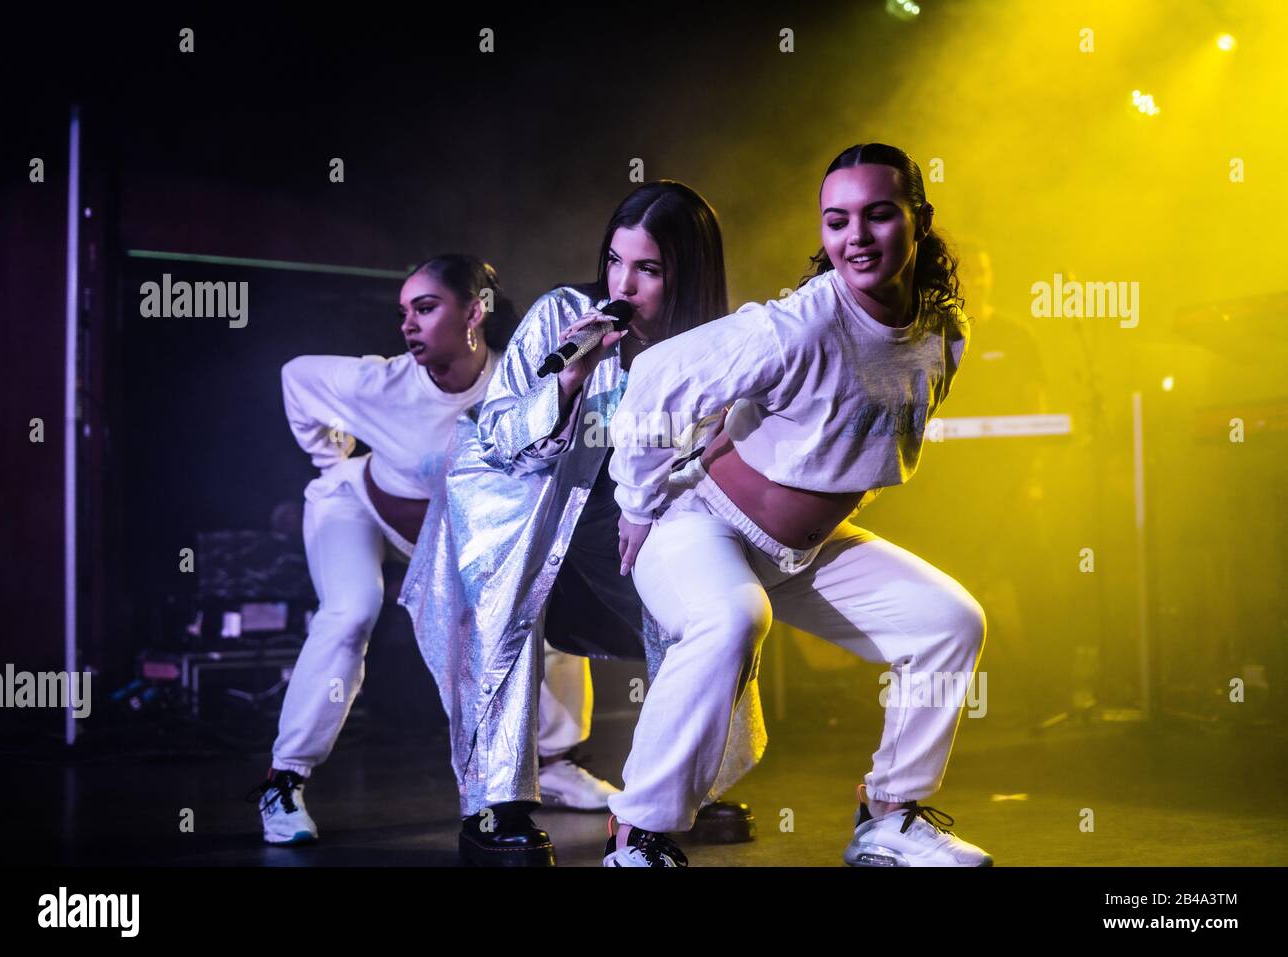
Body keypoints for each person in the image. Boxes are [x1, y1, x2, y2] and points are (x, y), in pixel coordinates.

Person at [603, 143, 993, 867]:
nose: (856, 237)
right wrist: (636, 501)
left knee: (949, 622)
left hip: (801, 553)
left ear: (919, 219)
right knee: (733, 616)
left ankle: (888, 815)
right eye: (837, 221)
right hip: (700, 527)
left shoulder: (943, 333)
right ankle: (637, 835)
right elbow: (656, 375)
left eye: (879, 215)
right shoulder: (801, 324)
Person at [400, 181, 764, 866]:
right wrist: (571, 379)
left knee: (702, 607)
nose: (623, 284)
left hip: (624, 507)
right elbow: (501, 433)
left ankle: (685, 786)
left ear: (689, 273)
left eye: (648, 268)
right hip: (516, 496)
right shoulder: (564, 313)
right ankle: (495, 809)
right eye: (615, 261)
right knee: (503, 610)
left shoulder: (713, 344)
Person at [249, 254, 596, 845]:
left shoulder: (514, 383)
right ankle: (284, 779)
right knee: (351, 611)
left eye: (426, 308)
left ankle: (555, 765)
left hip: (449, 537)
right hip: (361, 508)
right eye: (404, 312)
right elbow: (296, 376)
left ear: (475, 311)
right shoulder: (382, 382)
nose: (408, 324)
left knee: (541, 601)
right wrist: (330, 457)